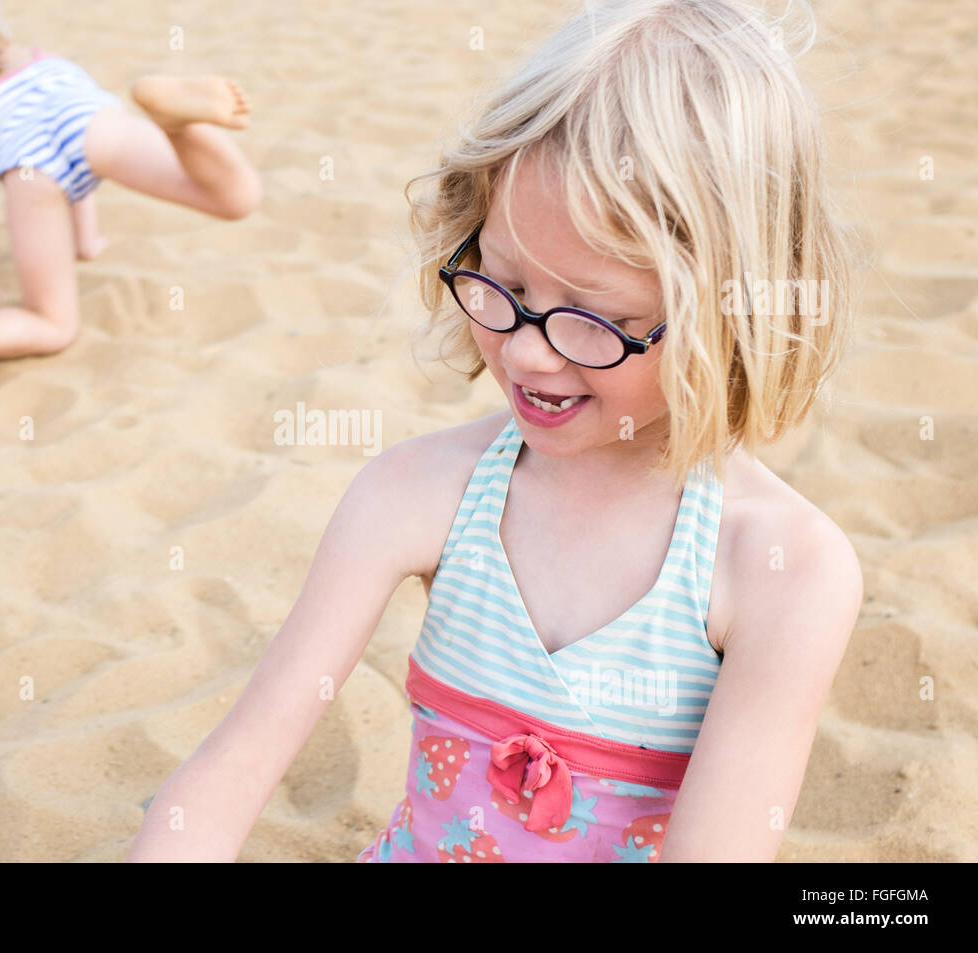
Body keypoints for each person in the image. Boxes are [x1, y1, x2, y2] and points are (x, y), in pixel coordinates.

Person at [130, 0, 864, 862]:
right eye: (502, 282)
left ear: (733, 313)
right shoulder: (416, 492)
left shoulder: (784, 571)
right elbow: (232, 769)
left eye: (596, 317)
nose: (526, 352)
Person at [0, 0, 261, 400]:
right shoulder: (43, 58)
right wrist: (86, 241)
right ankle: (176, 127)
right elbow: (72, 151)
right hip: (94, 126)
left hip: (32, 174)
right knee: (236, 198)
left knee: (52, 322)